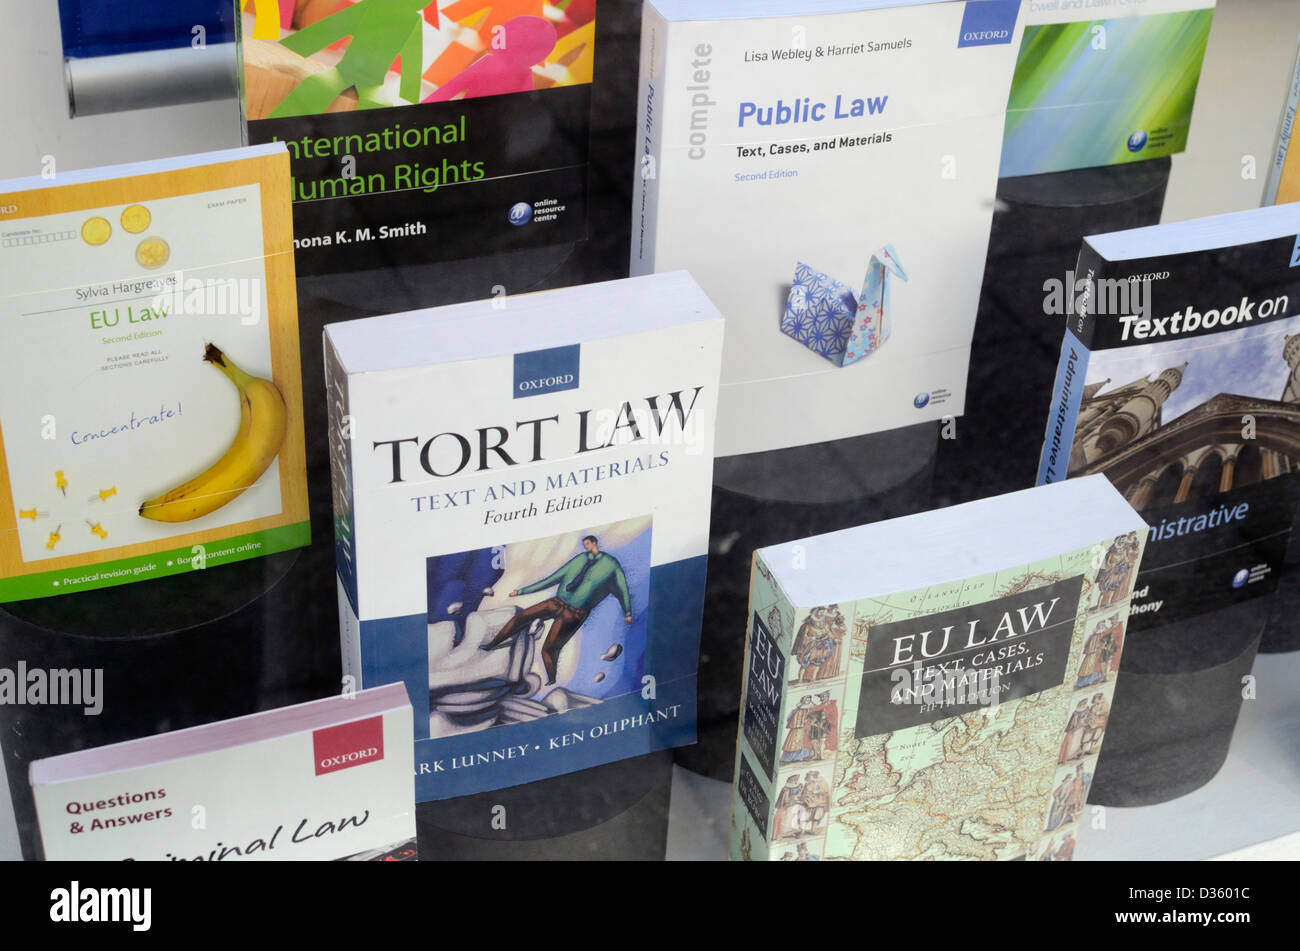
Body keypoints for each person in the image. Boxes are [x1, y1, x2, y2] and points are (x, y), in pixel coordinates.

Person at [482, 535, 631, 684]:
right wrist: (521, 591)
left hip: (574, 614)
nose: (586, 547)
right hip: (557, 602)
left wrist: (628, 612)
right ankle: (492, 644)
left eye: (588, 544)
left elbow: (622, 589)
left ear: (595, 543)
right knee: (520, 617)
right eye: (584, 544)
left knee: (549, 649)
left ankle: (551, 680)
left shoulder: (611, 565)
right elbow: (553, 578)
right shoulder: (580, 559)